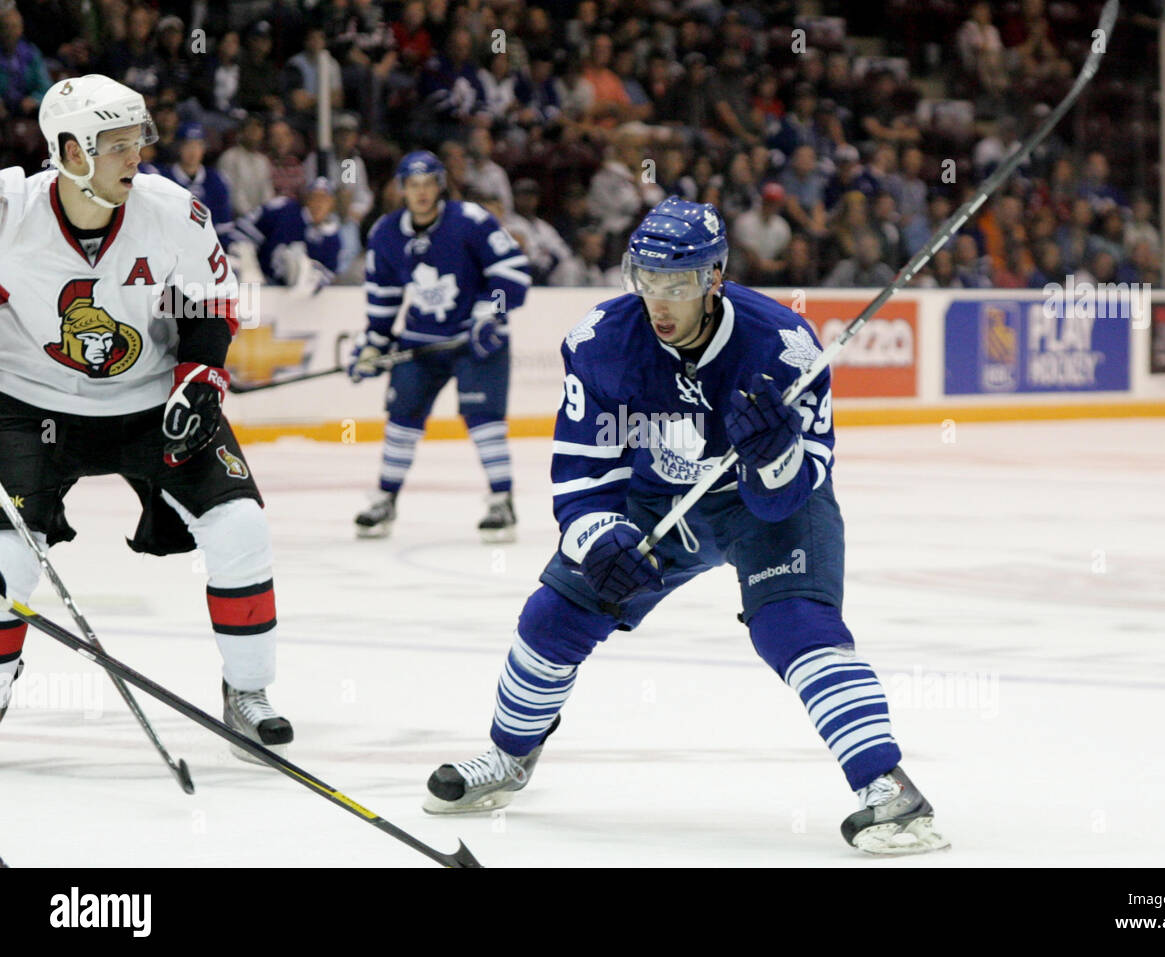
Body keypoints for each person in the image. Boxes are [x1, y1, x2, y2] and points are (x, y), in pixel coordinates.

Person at [420, 197, 949, 857]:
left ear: (714, 278)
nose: (660, 302)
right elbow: (582, 469)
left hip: (761, 507)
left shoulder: (782, 346)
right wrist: (597, 537)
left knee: (796, 629)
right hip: (655, 501)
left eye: (678, 284)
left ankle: (887, 787)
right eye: (646, 281)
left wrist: (773, 455)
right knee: (552, 616)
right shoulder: (603, 341)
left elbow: (793, 493)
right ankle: (507, 756)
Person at [0, 76, 292, 754]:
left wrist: (201, 381)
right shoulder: (9, 212)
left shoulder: (172, 212)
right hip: (29, 405)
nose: (136, 156)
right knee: (8, 554)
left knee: (241, 525)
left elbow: (212, 304)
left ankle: (248, 690)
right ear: (70, 151)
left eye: (139, 140)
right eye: (117, 144)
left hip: (152, 402)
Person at [348, 151, 532, 542]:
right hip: (421, 343)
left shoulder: (471, 221)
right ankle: (385, 499)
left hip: (475, 340)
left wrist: (490, 315)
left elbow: (514, 272)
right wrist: (373, 345)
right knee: (401, 419)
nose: (421, 193)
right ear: (401, 190)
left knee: (484, 421)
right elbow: (383, 298)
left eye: (429, 183)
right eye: (413, 185)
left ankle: (502, 500)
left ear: (440, 186)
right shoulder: (385, 233)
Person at [161, 122, 235, 245]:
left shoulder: (217, 180)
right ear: (178, 147)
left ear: (204, 148)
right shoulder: (163, 179)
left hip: (209, 251)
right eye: (188, 145)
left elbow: (224, 226)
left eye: (197, 145)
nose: (193, 151)